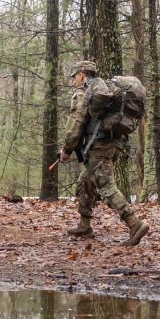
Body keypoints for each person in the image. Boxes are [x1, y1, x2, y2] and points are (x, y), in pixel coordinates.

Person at [55, 60, 149, 245]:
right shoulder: (104, 90)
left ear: (81, 74)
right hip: (111, 144)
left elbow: (76, 124)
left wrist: (66, 150)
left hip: (99, 146)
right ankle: (85, 226)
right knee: (85, 183)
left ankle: (134, 223)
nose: (74, 80)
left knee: (105, 186)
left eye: (75, 76)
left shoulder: (84, 93)